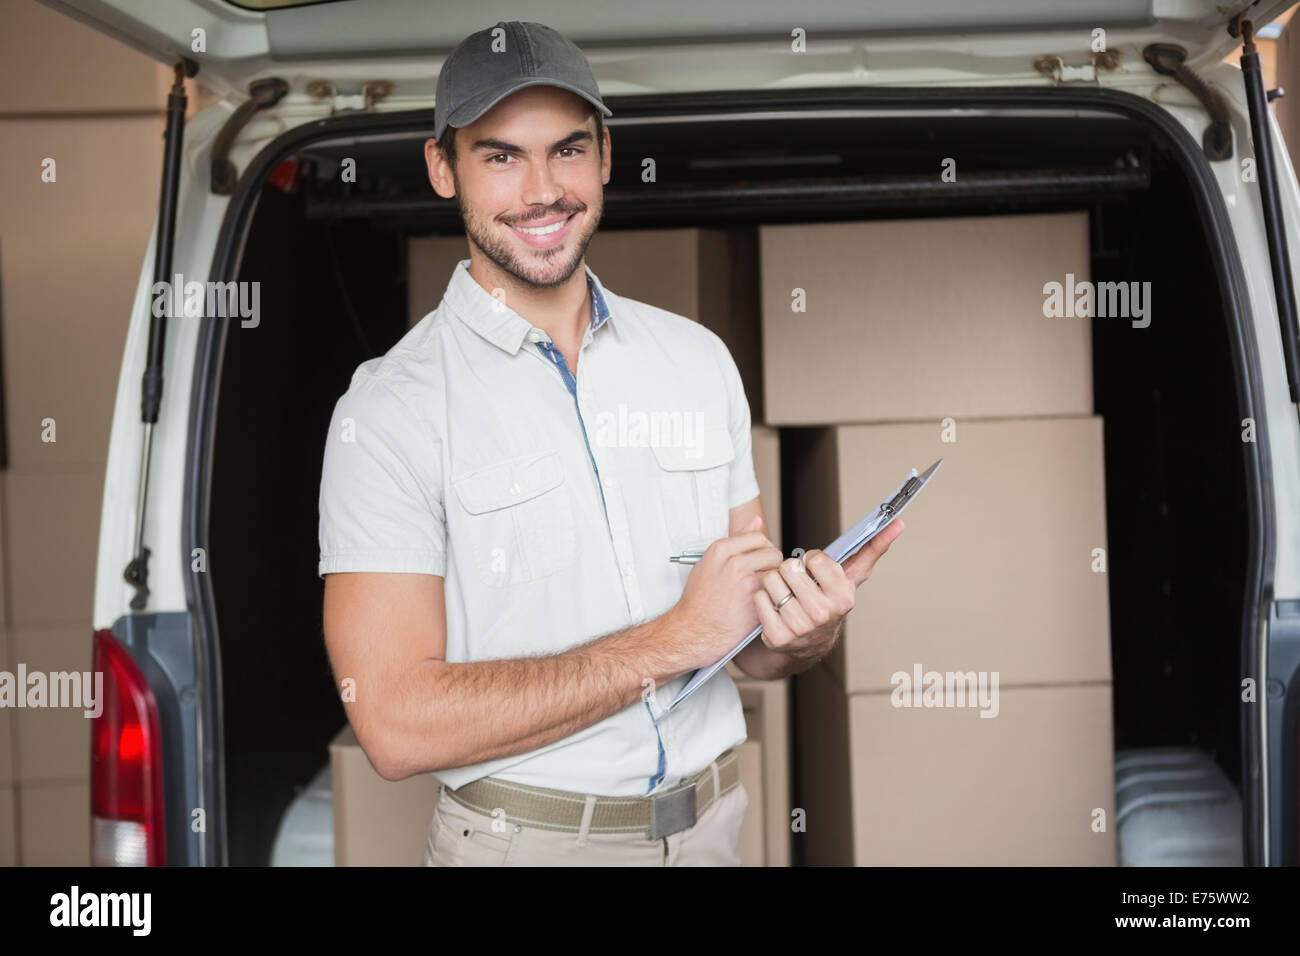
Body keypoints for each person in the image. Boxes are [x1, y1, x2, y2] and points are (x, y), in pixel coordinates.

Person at [317, 19, 904, 866]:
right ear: (443, 168)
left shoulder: (697, 363)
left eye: (567, 150)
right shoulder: (390, 412)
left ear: (605, 157)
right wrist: (674, 638)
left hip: (712, 831)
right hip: (526, 847)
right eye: (500, 156)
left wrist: (801, 633)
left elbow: (744, 650)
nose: (542, 190)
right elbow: (395, 722)